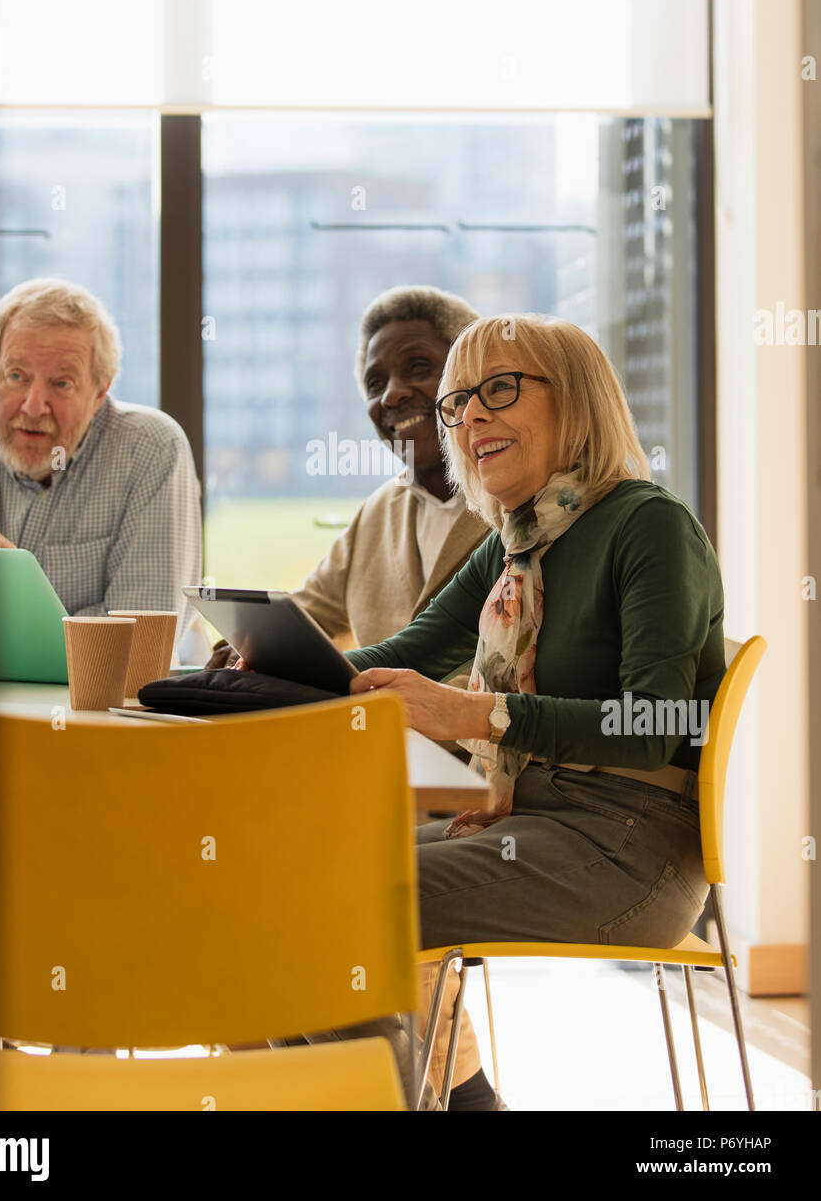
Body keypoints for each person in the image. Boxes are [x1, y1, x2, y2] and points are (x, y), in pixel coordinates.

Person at [292, 313, 724, 1110]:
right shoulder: (514, 543)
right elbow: (410, 651)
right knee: (284, 887)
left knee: (333, 910)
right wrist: (268, 668)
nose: (468, 418)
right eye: (459, 403)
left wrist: (478, 718)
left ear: (579, 401)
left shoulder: (648, 527)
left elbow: (655, 726)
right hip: (535, 822)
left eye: (498, 390)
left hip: (629, 850)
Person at [208, 285, 491, 658]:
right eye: (375, 384)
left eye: (418, 367)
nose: (391, 395)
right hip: (373, 719)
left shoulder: (513, 499)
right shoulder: (377, 512)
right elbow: (304, 615)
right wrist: (242, 647)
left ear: (472, 376)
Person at [0, 278, 203, 652]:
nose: (33, 406)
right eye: (17, 376)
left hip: (104, 709)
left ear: (100, 392)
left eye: (61, 384)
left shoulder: (151, 450)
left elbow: (139, 643)